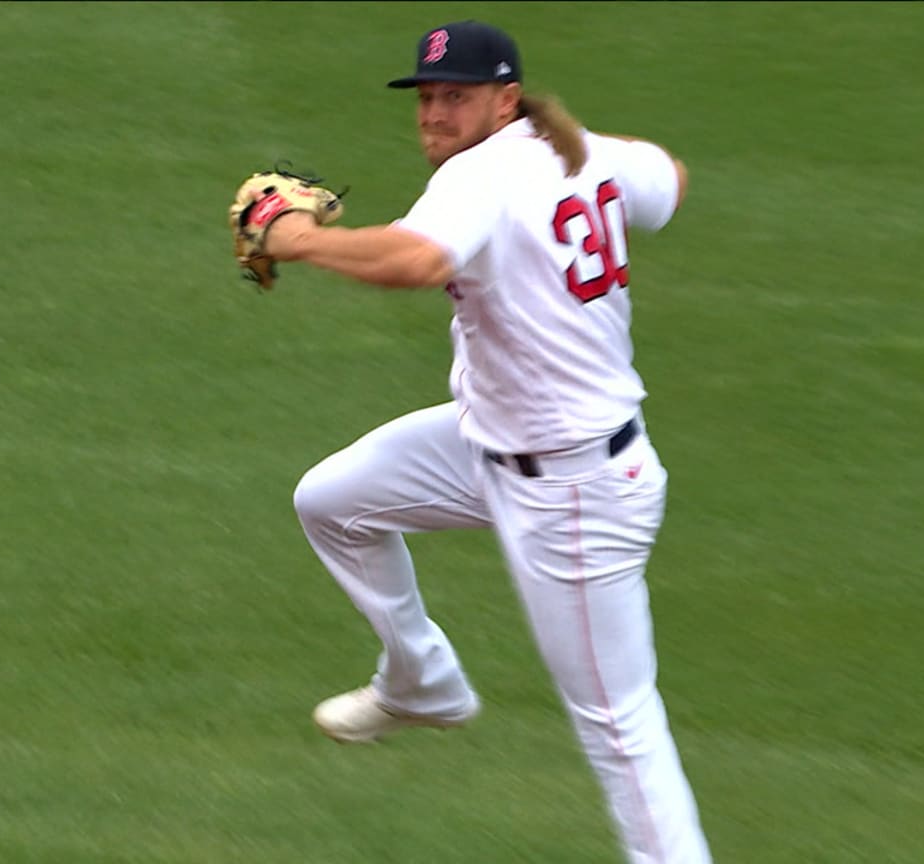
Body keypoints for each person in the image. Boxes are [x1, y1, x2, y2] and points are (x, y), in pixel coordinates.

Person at [260, 20, 711, 864]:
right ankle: (422, 681)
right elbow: (673, 180)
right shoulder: (567, 149)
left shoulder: (482, 175)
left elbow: (416, 263)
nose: (434, 114)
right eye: (427, 96)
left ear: (505, 100)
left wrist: (300, 240)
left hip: (574, 494)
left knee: (620, 728)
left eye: (455, 96)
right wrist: (597, 161)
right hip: (492, 448)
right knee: (332, 501)